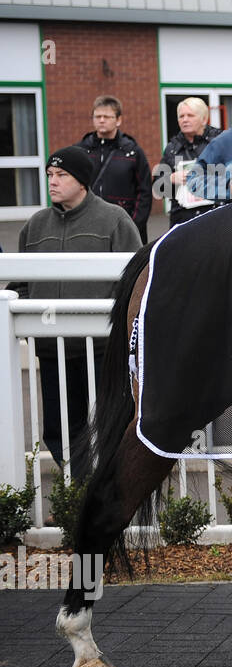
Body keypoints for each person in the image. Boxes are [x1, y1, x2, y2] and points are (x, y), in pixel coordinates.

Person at [9, 147, 141, 478]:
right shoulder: (36, 224)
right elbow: (20, 281)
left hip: (102, 351)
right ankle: (79, 493)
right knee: (60, 428)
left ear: (82, 181)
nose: (52, 182)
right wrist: (33, 318)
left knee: (109, 424)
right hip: (52, 350)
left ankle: (109, 494)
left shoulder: (114, 220)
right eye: (49, 175)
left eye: (61, 175)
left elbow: (136, 281)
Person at [78, 96, 152, 242]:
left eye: (107, 116)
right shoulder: (80, 151)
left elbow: (145, 192)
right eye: (97, 116)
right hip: (88, 225)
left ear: (118, 120)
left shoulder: (133, 152)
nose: (101, 120)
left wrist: (133, 225)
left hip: (124, 225)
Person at [154, 97, 221, 228]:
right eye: (181, 116)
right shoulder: (172, 149)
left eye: (190, 115)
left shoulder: (220, 142)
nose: (185, 120)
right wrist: (171, 179)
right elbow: (159, 189)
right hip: (182, 221)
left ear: (204, 119)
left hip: (215, 217)